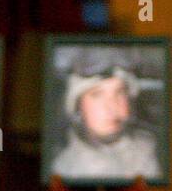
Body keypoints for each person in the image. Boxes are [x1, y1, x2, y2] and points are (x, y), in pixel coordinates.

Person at [48, 48, 160, 182]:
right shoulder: (64, 171)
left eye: (120, 92)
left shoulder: (149, 151)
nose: (112, 107)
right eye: (97, 95)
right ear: (78, 108)